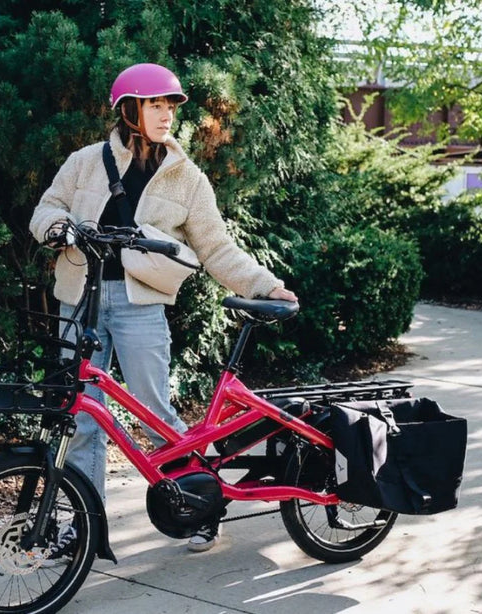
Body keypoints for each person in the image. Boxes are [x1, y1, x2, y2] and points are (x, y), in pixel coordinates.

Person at [29, 63, 298, 553]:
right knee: (83, 419)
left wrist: (267, 284)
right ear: (129, 109)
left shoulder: (187, 179)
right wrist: (59, 228)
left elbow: (217, 249)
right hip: (79, 303)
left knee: (154, 412)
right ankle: (82, 527)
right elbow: (45, 209)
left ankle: (198, 506)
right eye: (156, 104)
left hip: (140, 308)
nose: (167, 115)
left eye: (171, 106)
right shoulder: (85, 162)